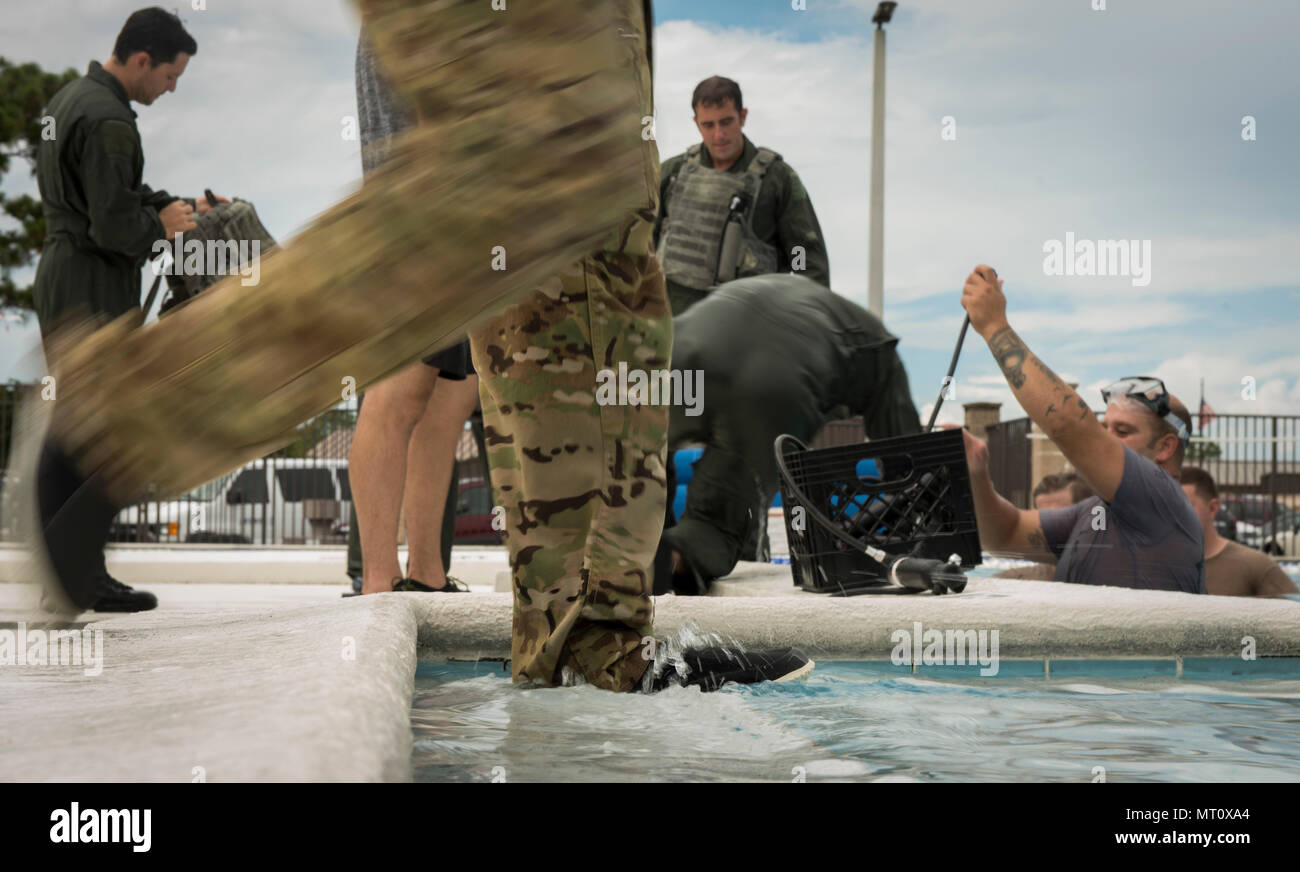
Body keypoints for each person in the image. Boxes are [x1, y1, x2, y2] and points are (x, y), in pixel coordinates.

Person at [25, 0, 810, 693]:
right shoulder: (98, 113)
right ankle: (126, 416)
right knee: (543, 180)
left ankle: (591, 636)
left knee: (597, 242)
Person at [31, 7, 226, 612]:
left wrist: (177, 205)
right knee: (102, 435)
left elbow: (109, 196)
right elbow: (115, 224)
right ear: (144, 59)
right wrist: (158, 225)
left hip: (65, 271)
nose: (169, 90)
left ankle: (76, 575)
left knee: (75, 430)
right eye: (170, 77)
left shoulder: (71, 100)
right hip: (94, 280)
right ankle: (75, 574)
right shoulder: (113, 120)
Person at [659, 273, 921, 594]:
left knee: (640, 458)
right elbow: (912, 470)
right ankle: (659, 563)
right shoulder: (878, 356)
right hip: (775, 371)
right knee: (713, 524)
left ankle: (639, 560)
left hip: (693, 344)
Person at [958, 265, 1204, 593]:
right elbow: (1003, 534)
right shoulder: (1095, 513)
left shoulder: (1162, 500)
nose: (1106, 439)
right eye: (1105, 428)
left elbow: (1067, 423)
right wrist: (976, 472)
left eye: (1123, 431)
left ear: (1166, 447)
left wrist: (994, 326)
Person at [347, 32, 481, 595]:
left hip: (460, 223)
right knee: (397, 394)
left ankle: (427, 572)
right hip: (413, 221)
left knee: (448, 399)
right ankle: (379, 578)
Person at [654, 76, 830, 315]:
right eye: (709, 125)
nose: (719, 135)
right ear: (696, 123)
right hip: (675, 331)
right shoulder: (671, 174)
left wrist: (807, 313)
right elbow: (642, 247)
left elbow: (802, 253)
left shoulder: (777, 179)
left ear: (743, 116)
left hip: (749, 332)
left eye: (727, 122)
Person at [1180, 467, 1298, 597]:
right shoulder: (1159, 566)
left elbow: (1293, 610)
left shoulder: (1254, 565)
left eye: (1184, 506)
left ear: (1213, 508)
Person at [993, 473, 1094, 580]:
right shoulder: (1013, 580)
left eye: (1061, 517)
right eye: (1044, 518)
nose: (1050, 526)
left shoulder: (1105, 576)